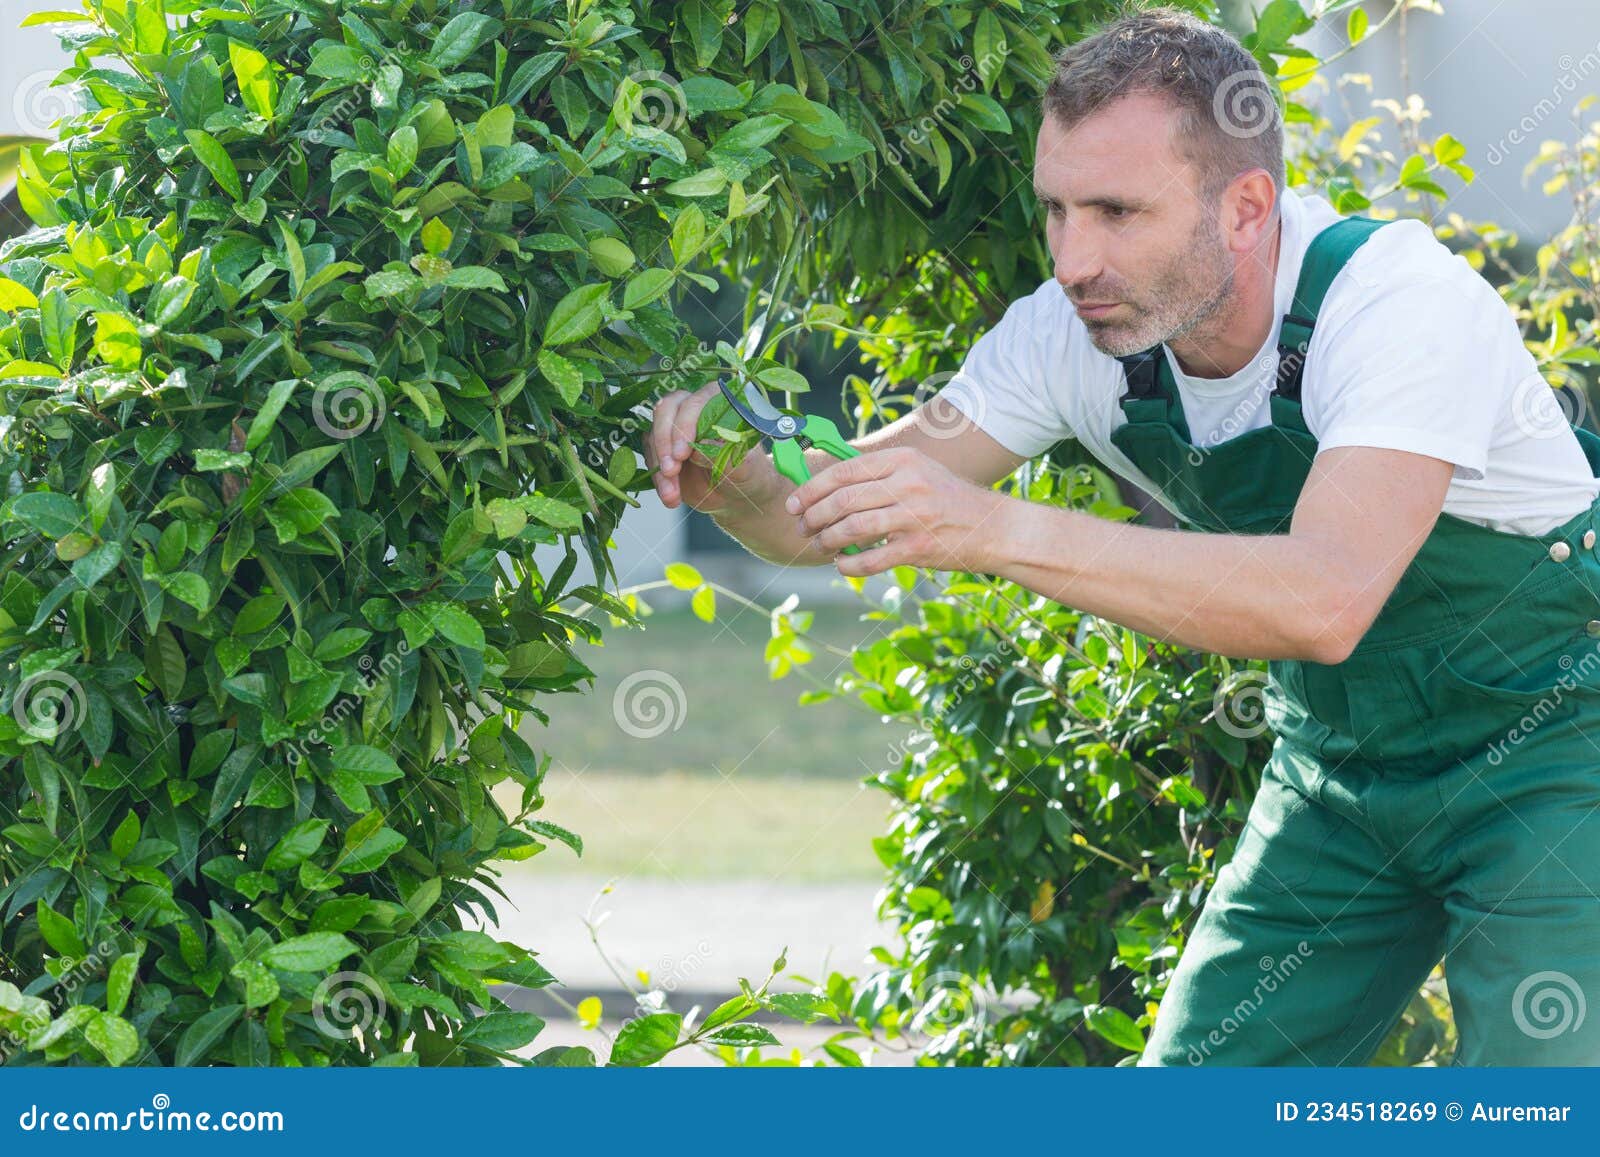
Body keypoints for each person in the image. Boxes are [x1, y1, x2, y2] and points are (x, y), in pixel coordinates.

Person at [643, 6, 1600, 1065]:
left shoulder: (1394, 306)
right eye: (1054, 210)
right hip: (1338, 778)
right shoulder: (1071, 337)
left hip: (1553, 758)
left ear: (1245, 207)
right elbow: (827, 509)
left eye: (1114, 212)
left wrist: (994, 528)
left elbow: (1324, 599)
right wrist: (728, 479)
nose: (1069, 260)